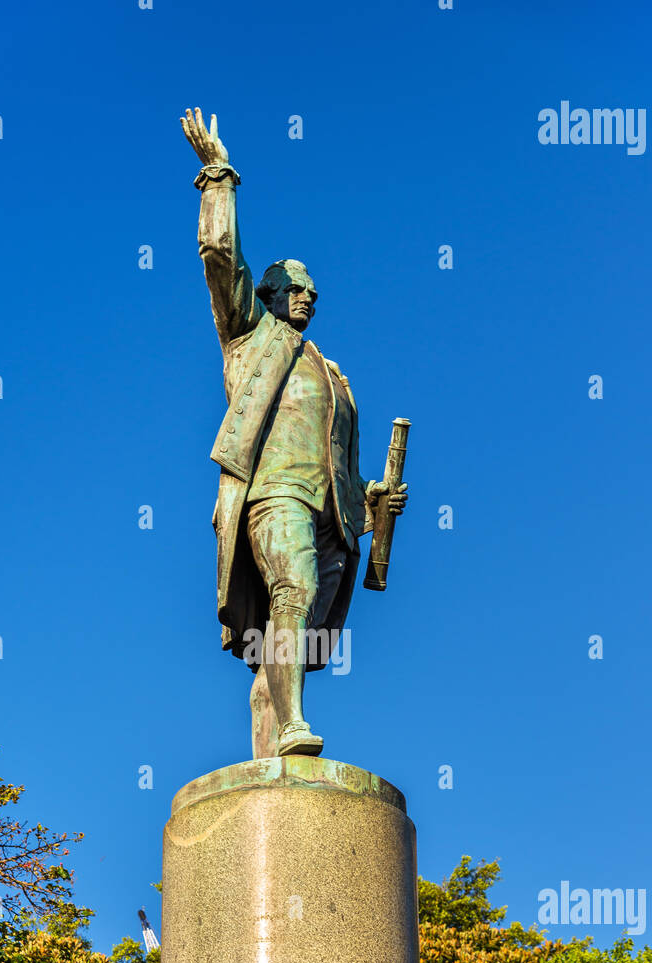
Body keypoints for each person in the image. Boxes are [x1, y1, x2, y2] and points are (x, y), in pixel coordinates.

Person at [181, 107, 407, 757]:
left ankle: (271, 710)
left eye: (313, 291)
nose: (307, 296)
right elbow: (221, 258)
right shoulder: (250, 337)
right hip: (273, 494)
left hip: (332, 515)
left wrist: (373, 501)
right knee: (291, 589)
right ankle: (291, 728)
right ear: (270, 293)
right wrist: (215, 175)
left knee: (300, 639)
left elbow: (342, 462)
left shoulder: (332, 374)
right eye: (295, 287)